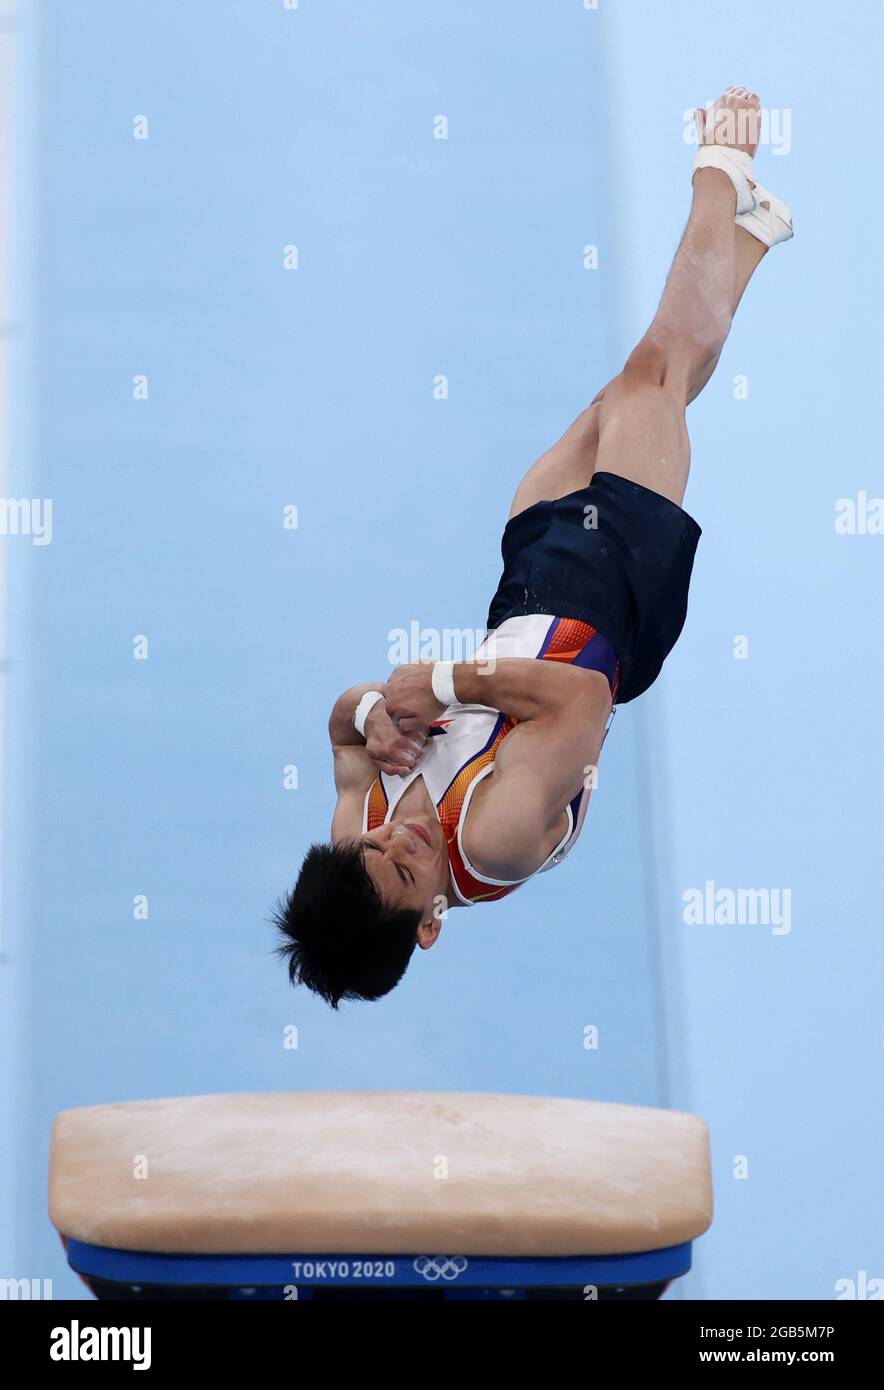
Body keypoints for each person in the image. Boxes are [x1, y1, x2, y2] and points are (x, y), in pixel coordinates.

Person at [274, 86, 793, 1007]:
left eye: (368, 847)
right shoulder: (494, 841)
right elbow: (581, 699)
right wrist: (433, 688)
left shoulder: (361, 840)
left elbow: (342, 737)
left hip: (520, 599)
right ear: (428, 924)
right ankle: (723, 170)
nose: (396, 843)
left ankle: (748, 238)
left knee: (628, 395)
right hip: (609, 612)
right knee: (652, 375)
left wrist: (368, 712)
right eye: (401, 875)